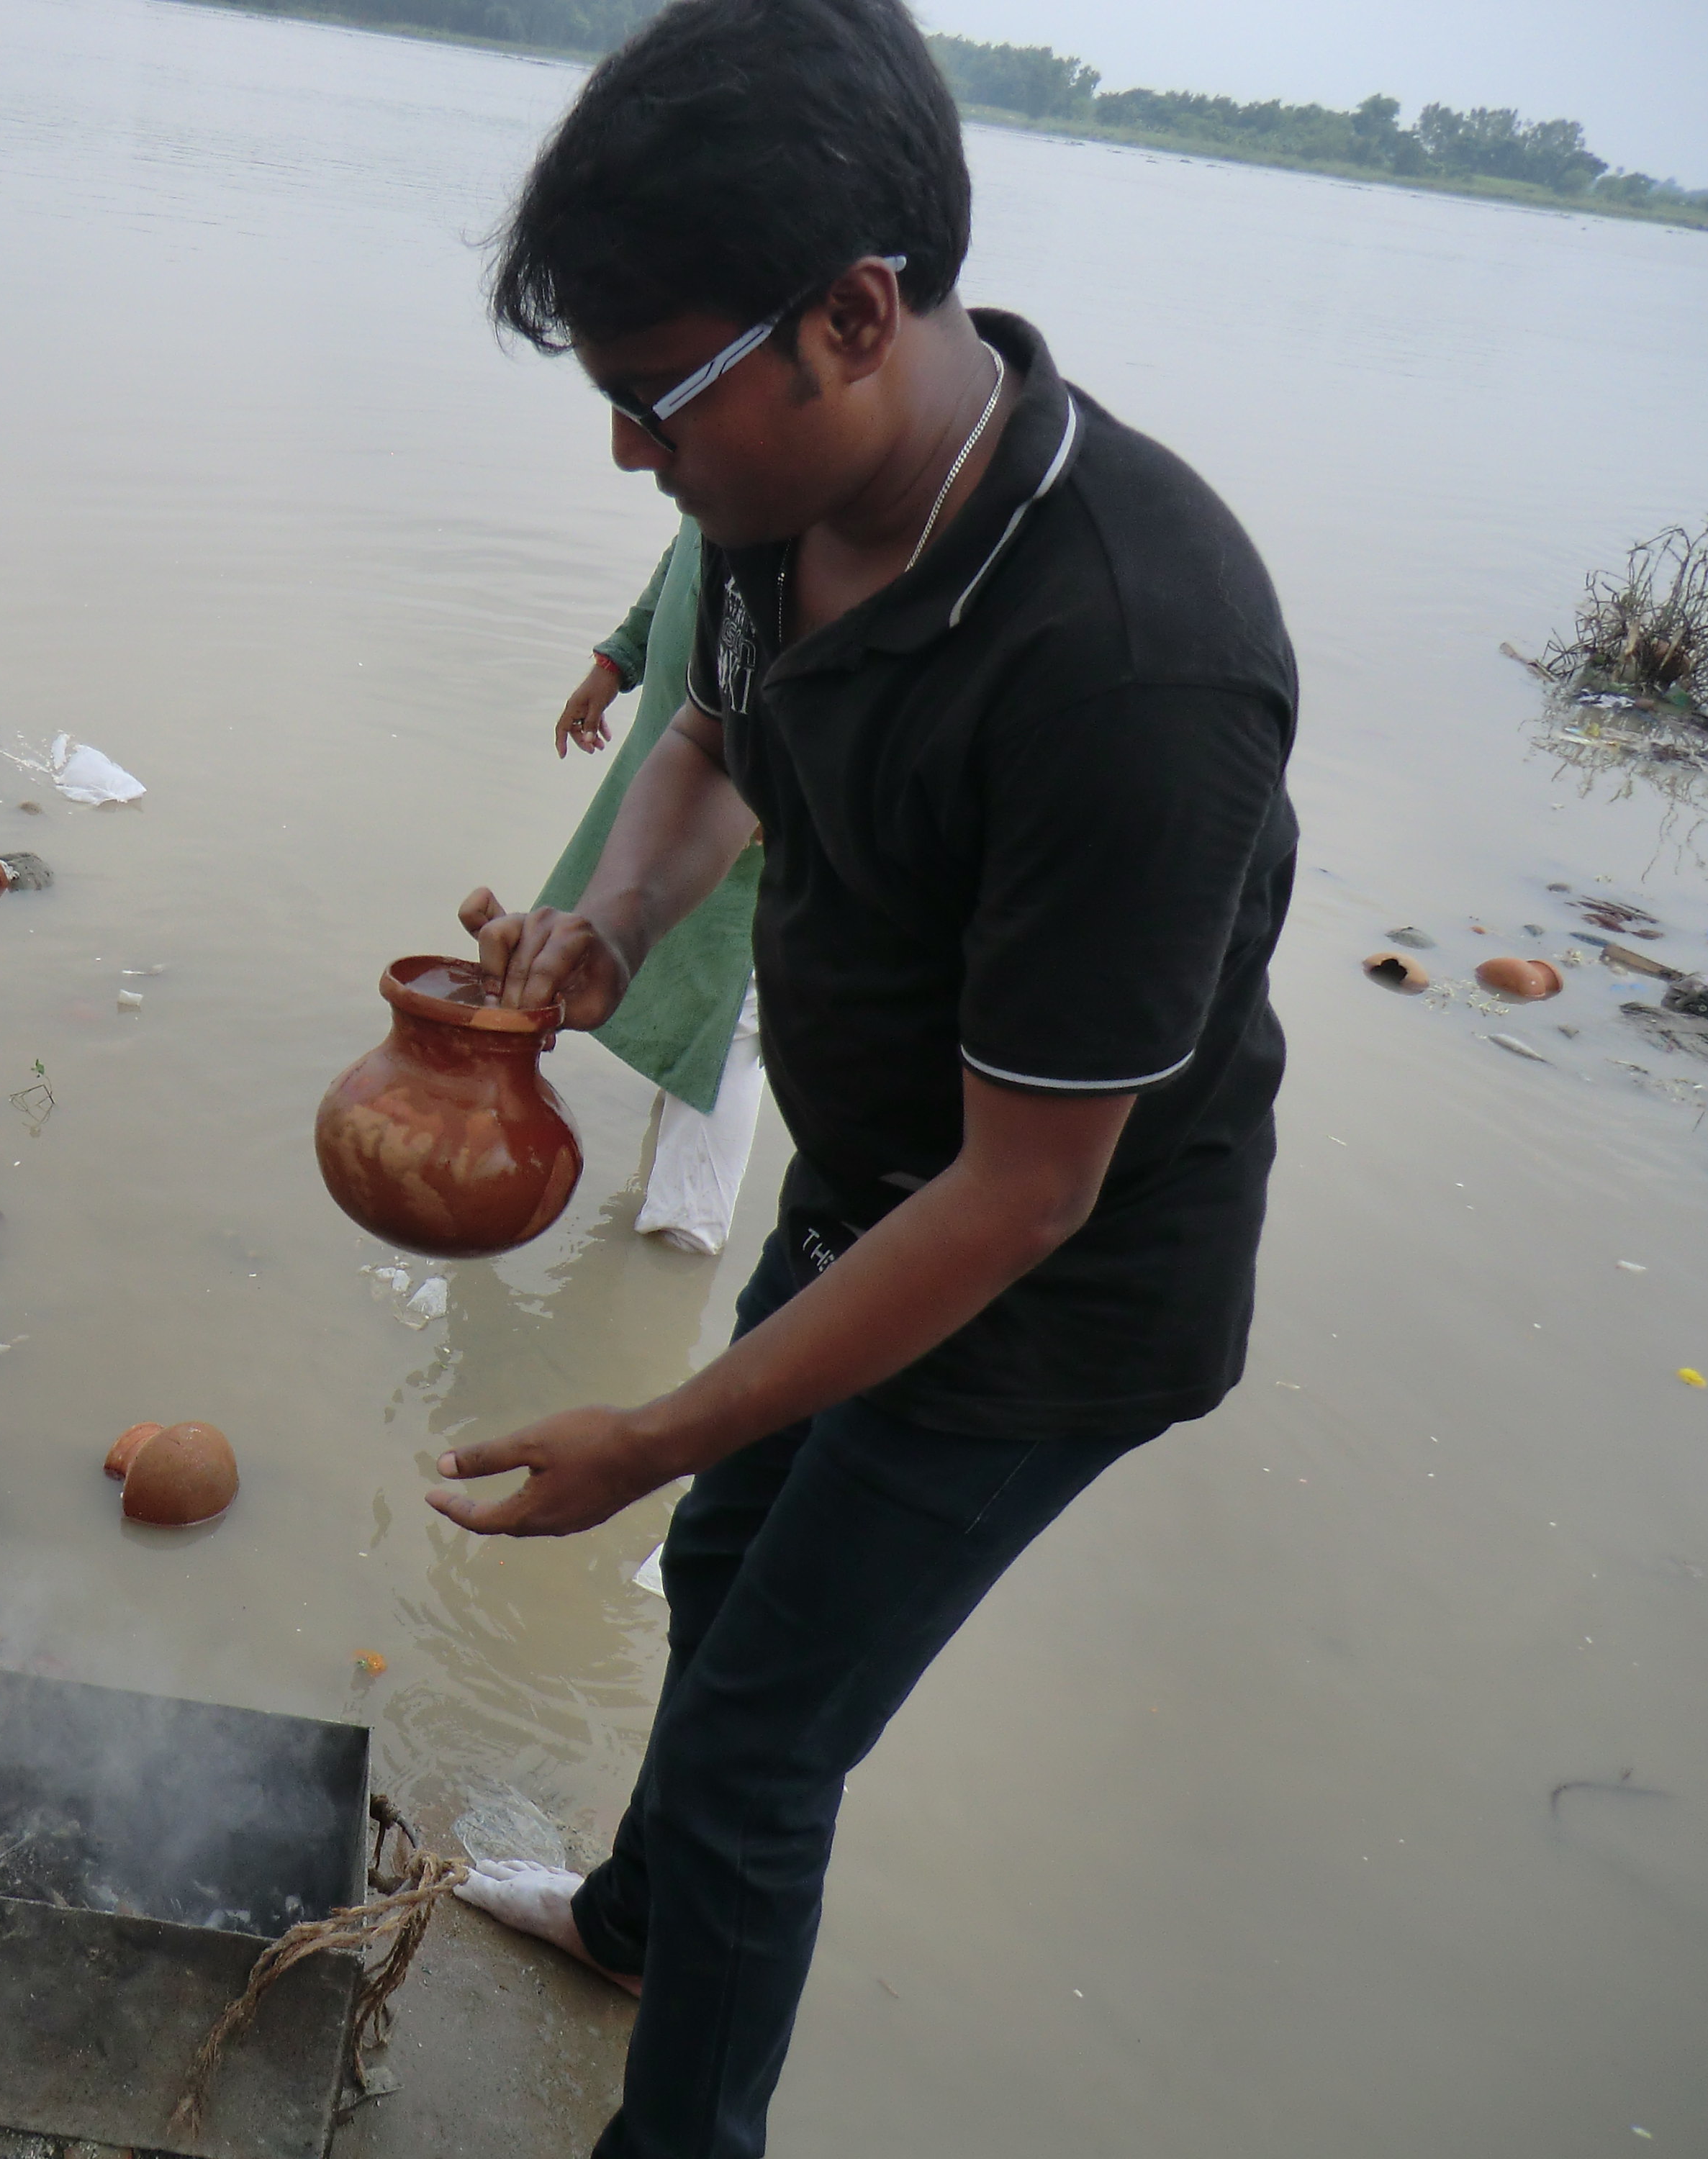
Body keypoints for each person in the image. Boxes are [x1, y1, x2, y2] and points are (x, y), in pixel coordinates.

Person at [427, 3, 1301, 2154]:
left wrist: (645, 1426)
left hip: (1045, 1301)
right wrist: (605, 926)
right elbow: (719, 736)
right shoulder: (778, 494)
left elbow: (1025, 1196)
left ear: (849, 314)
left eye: (652, 400)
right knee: (725, 1586)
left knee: (753, 1747)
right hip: (868, 1185)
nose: (634, 457)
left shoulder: (1129, 657)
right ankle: (632, 1926)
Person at [543, 522, 767, 1257]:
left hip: (759, 775)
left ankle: (683, 1235)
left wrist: (786, 779)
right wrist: (619, 660)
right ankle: (663, 1170)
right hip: (679, 738)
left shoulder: (826, 482)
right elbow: (689, 553)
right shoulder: (720, 467)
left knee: (727, 1006)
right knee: (647, 936)